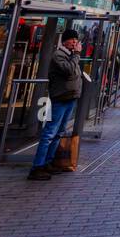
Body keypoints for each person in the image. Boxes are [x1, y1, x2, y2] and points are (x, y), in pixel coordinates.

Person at [28, 29, 83, 180]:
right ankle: (37, 166)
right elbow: (69, 71)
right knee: (50, 133)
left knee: (59, 132)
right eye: (71, 39)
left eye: (75, 40)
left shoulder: (70, 56)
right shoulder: (59, 55)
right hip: (61, 98)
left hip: (70, 97)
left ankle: (48, 162)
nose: (74, 42)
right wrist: (77, 55)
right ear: (64, 41)